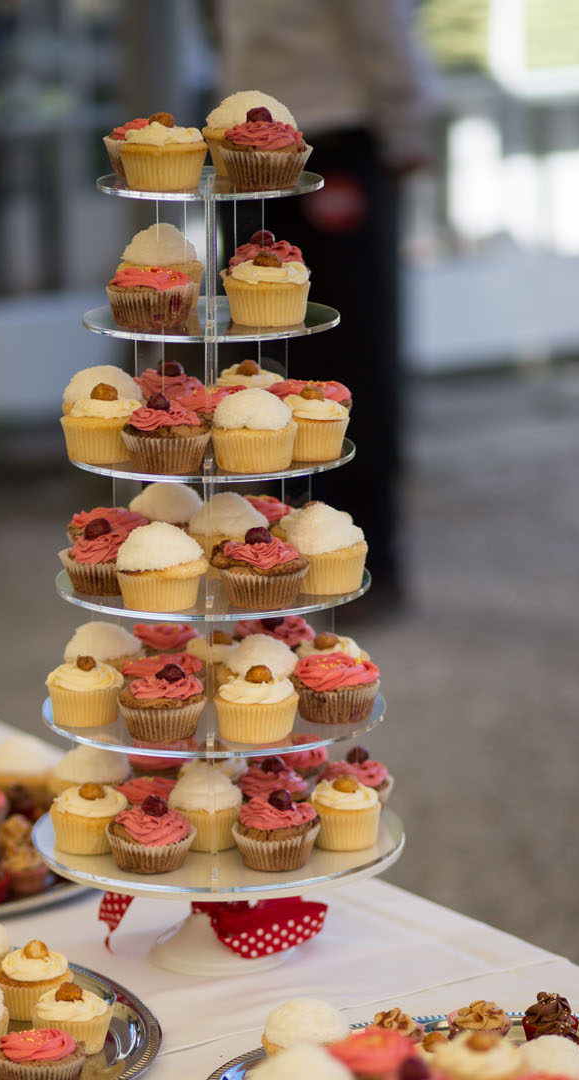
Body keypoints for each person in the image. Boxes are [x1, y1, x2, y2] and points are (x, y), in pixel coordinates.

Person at [213, 0, 435, 617]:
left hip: (312, 142)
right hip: (275, 150)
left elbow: (376, 25)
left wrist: (403, 123)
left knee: (326, 360)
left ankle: (360, 559)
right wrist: (409, 125)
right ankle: (291, 559)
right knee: (286, 361)